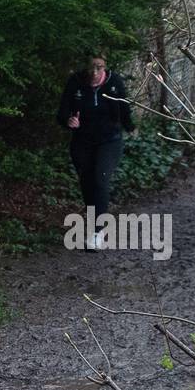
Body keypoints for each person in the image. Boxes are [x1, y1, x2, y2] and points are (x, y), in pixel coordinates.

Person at [56, 52, 135, 251]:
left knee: (100, 179)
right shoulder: (75, 82)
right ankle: (95, 222)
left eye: (99, 67)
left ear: (105, 66)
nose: (94, 72)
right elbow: (62, 112)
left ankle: (97, 232)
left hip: (109, 140)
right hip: (82, 141)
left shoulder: (114, 82)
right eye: (91, 67)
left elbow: (124, 110)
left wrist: (131, 127)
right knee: (87, 183)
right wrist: (69, 120)